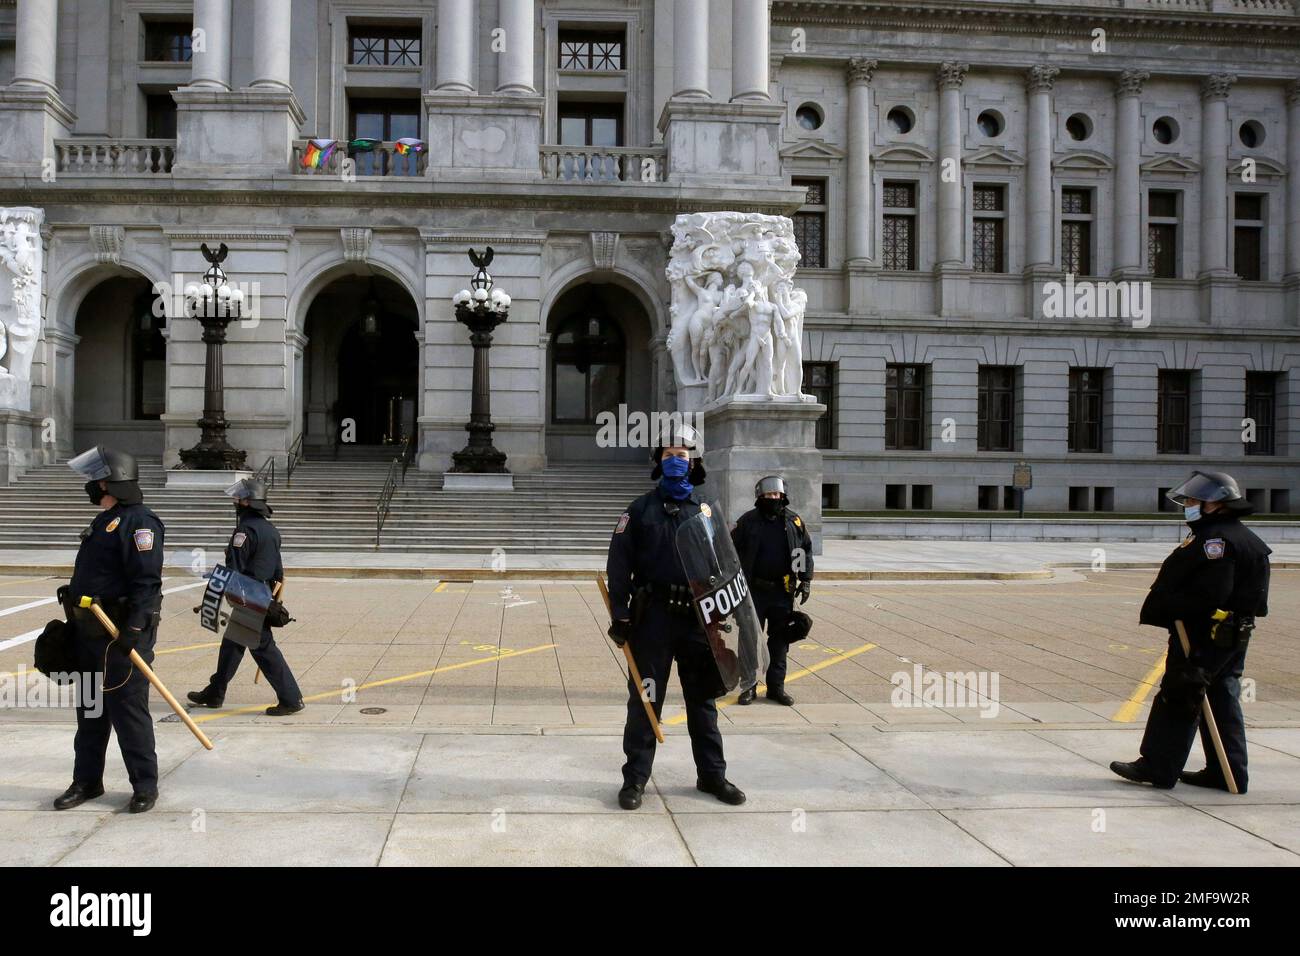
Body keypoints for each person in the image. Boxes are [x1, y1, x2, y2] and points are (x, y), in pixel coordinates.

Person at [605, 424, 746, 811]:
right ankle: (635, 779)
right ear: (657, 462)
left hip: (700, 621)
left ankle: (712, 775)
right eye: (667, 456)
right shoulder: (639, 510)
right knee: (646, 700)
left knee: (703, 701)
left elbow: (727, 564)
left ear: (694, 462)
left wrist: (729, 608)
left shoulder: (707, 510)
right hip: (653, 621)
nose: (674, 461)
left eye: (681, 456)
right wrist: (621, 613)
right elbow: (618, 567)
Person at [1111, 470, 1270, 793]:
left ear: (1218, 505)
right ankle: (1227, 772)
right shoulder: (1245, 537)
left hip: (1203, 635)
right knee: (1222, 699)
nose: (1189, 506)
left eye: (1196, 501)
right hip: (1232, 635)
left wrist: (1170, 606)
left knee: (1180, 694)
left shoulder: (1216, 541)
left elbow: (1211, 594)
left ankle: (1158, 766)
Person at [55, 446, 165, 814]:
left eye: (95, 480)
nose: (90, 486)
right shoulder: (107, 520)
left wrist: (134, 627)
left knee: (128, 709)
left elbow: (146, 582)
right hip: (90, 632)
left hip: (120, 633)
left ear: (112, 481)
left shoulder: (141, 523)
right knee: (90, 709)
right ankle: (87, 780)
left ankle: (144, 785)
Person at [187, 479, 305, 716]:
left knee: (263, 649)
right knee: (231, 646)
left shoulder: (244, 531)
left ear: (249, 502)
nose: (235, 503)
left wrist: (217, 593)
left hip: (247, 598)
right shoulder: (271, 531)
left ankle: (291, 698)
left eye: (239, 499)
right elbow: (278, 571)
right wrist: (273, 601)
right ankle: (215, 692)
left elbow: (235, 569)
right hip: (262, 594)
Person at [732, 475, 814, 706]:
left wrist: (805, 580)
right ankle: (748, 687)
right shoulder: (747, 522)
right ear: (760, 496)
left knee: (779, 642)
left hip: (782, 591)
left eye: (776, 495)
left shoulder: (793, 522)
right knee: (749, 641)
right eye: (768, 495)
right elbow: (730, 553)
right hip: (752, 592)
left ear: (783, 496)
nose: (773, 499)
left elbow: (805, 551)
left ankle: (776, 687)